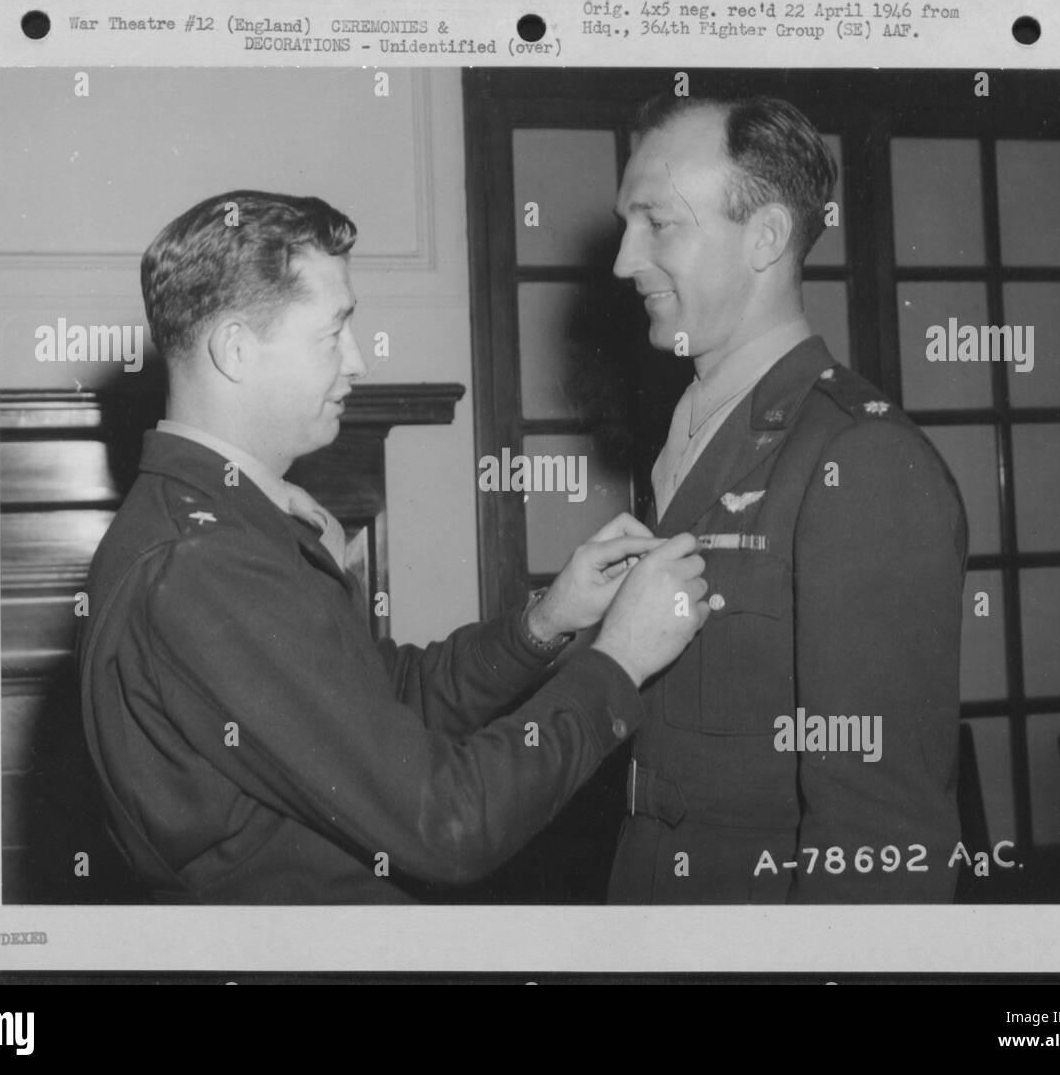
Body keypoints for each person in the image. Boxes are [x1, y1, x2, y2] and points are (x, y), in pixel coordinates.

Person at [78, 190, 709, 904]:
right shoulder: (205, 565)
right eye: (334, 330)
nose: (358, 361)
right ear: (234, 349)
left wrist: (546, 621)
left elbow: (387, 702)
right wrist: (617, 661)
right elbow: (448, 820)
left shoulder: (221, 522)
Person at [607, 95, 968, 904]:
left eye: (657, 223)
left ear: (765, 237)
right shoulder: (693, 432)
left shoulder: (860, 458)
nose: (624, 260)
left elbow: (882, 845)